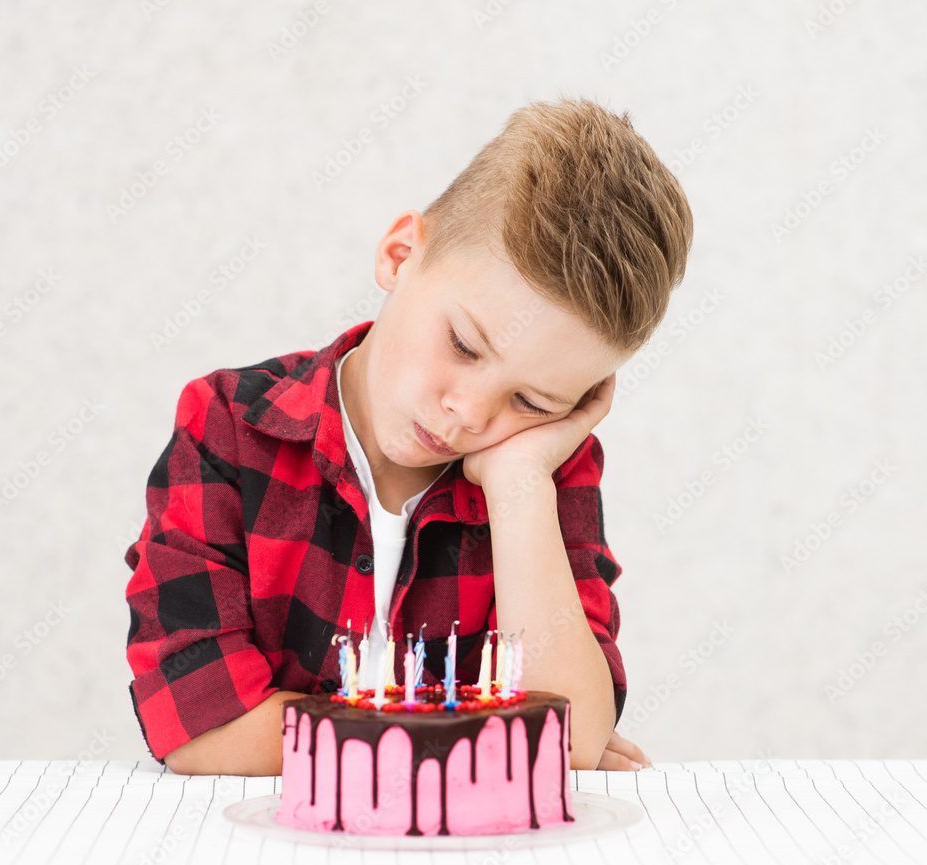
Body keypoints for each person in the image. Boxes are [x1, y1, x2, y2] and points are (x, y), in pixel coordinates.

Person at [124, 96, 692, 777]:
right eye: (463, 345)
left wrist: (517, 484)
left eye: (531, 400)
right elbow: (204, 731)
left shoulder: (544, 470)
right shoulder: (228, 426)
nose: (469, 414)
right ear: (400, 255)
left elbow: (565, 740)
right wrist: (483, 738)